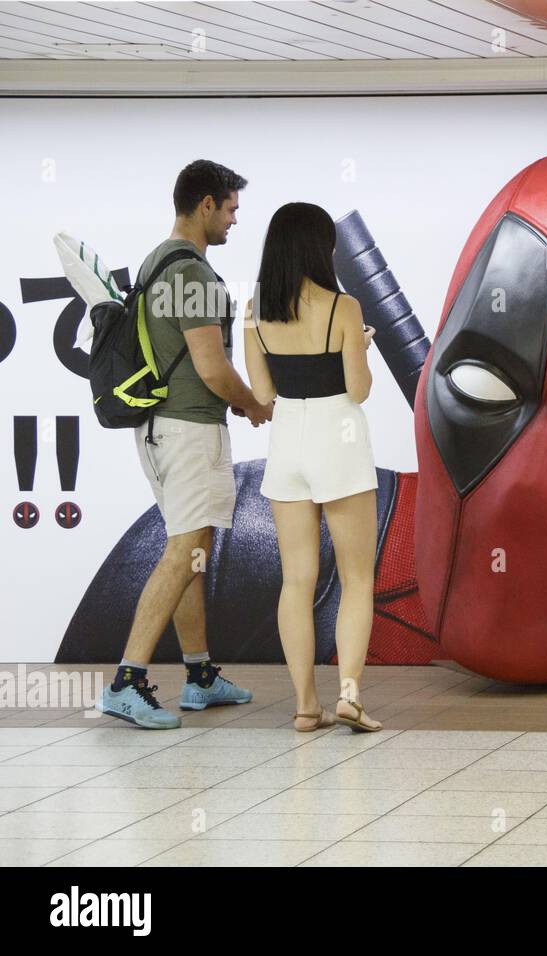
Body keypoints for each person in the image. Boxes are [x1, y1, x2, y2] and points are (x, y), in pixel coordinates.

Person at [98, 159, 270, 730]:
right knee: (183, 554)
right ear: (205, 205)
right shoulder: (193, 274)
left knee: (191, 552)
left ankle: (198, 676)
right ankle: (127, 680)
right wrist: (254, 405)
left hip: (157, 430)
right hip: (191, 430)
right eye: (231, 208)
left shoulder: (154, 263)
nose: (234, 220)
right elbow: (212, 367)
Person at [243, 202, 382, 733]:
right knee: (356, 579)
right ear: (319, 247)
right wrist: (361, 346)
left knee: (296, 581)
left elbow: (262, 393)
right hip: (339, 439)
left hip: (288, 441)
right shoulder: (343, 307)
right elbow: (359, 389)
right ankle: (348, 694)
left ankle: (305, 705)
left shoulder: (255, 309)